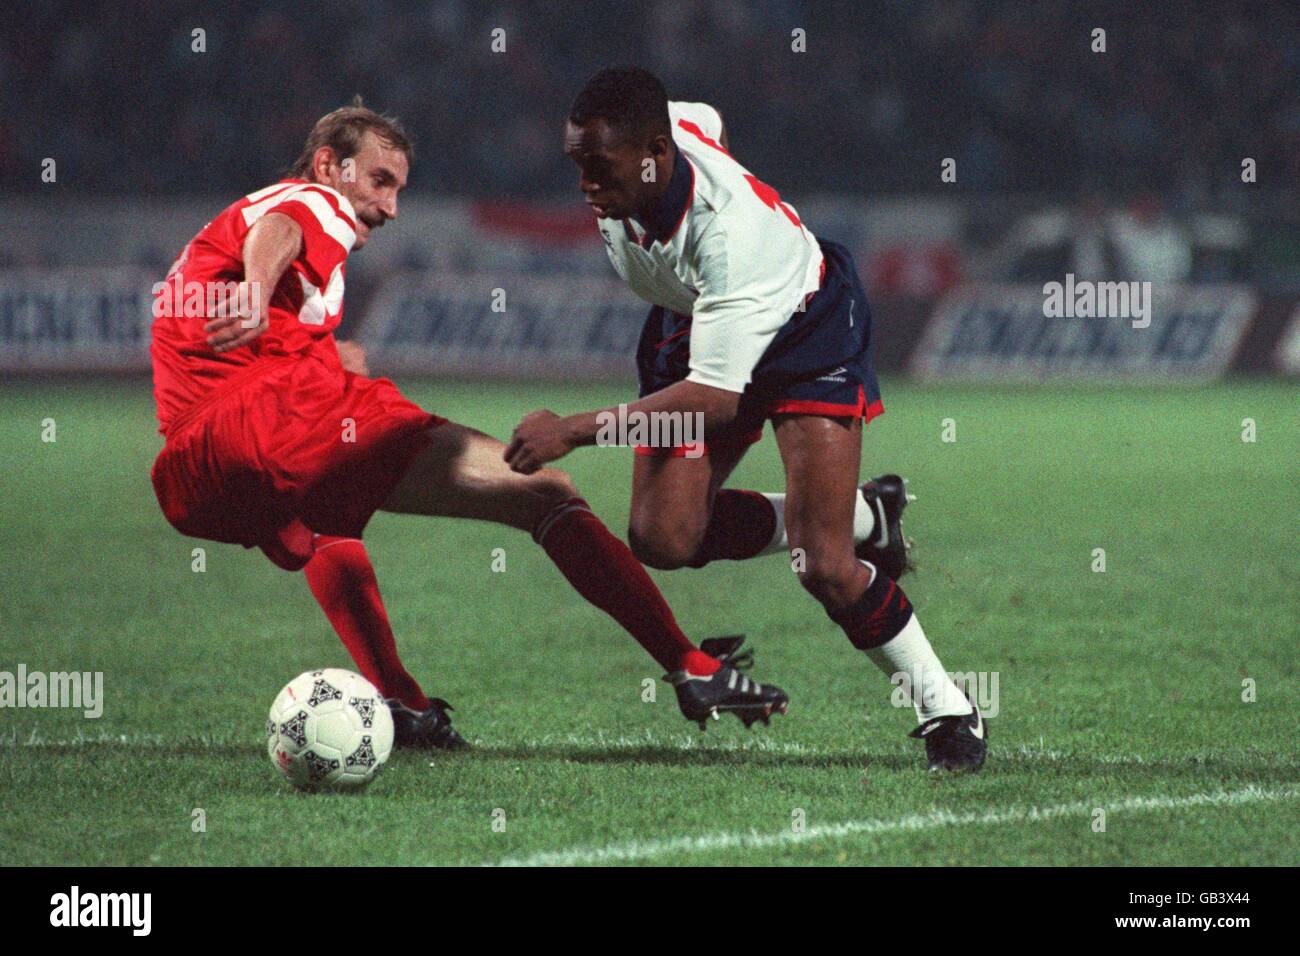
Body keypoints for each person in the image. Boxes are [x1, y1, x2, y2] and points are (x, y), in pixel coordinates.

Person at [149, 101, 790, 751]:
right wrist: (259, 288)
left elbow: (215, 347)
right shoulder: (310, 200)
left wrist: (315, 347)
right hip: (269, 415)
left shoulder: (225, 234)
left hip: (195, 471)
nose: (390, 207)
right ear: (328, 165)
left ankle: (401, 702)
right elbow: (288, 227)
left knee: (325, 514)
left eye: (398, 189)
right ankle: (692, 667)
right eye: (379, 181)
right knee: (546, 494)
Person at [506, 68, 987, 771]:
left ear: (654, 154)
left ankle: (946, 707)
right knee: (663, 537)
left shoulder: (729, 236)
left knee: (824, 565)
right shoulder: (663, 134)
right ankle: (866, 514)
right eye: (576, 161)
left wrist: (573, 429)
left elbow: (713, 404)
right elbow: (710, 117)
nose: (584, 183)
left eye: (598, 165)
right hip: (697, 327)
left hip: (803, 334)